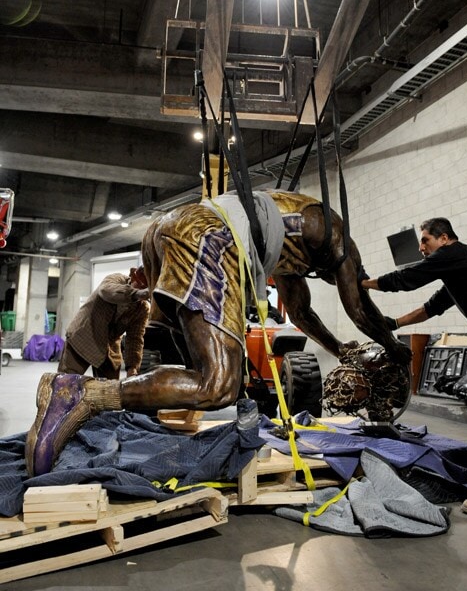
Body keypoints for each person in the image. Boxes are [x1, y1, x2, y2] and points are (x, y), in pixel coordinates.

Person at [25, 190, 412, 477]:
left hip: (170, 228)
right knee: (219, 386)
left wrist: (339, 348)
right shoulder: (338, 240)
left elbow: (301, 312)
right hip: (209, 236)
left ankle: (88, 402)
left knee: (197, 362)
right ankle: (81, 394)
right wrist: (393, 345)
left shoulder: (295, 242)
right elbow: (360, 310)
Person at [361, 216, 467, 519]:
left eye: (425, 240)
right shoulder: (459, 269)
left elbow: (407, 278)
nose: (422, 248)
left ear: (443, 238)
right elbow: (430, 309)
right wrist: (394, 323)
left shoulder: (452, 255)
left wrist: (365, 284)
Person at [57, 267, 150, 380]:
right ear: (132, 276)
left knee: (111, 391)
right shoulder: (116, 279)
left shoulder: (142, 308)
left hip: (108, 348)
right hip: (83, 336)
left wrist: (133, 367)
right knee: (66, 384)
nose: (141, 289)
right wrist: (136, 293)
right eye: (139, 284)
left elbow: (135, 338)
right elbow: (106, 291)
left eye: (144, 287)